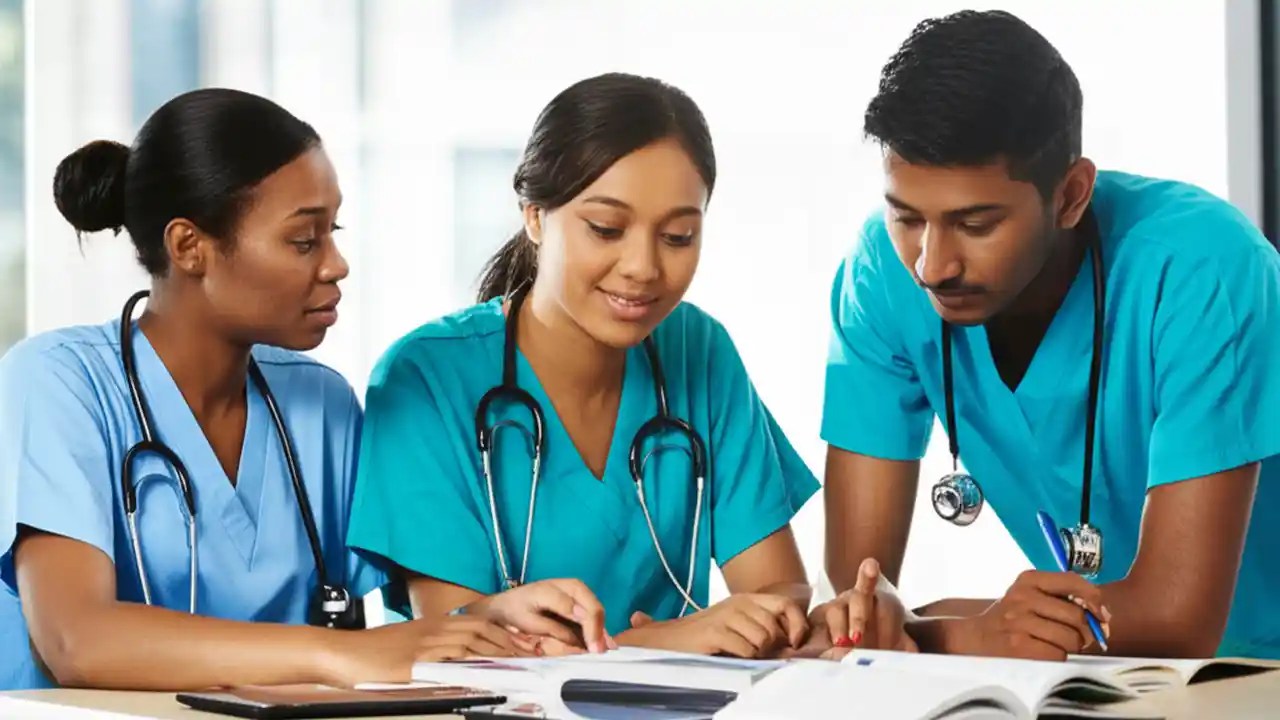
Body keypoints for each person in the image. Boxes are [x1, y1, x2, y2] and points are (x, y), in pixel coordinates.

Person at [0, 88, 572, 691]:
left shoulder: (320, 405)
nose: (336, 264)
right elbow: (78, 641)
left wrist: (487, 617)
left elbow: (404, 619)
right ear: (189, 247)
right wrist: (332, 654)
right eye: (304, 240)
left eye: (333, 231)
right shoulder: (59, 381)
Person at [820, 10, 1280, 660]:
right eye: (906, 217)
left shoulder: (1206, 269)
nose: (932, 264)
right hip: (1106, 678)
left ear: (1069, 195)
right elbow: (858, 606)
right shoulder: (878, 274)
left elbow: (1178, 618)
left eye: (975, 224)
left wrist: (943, 630)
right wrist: (935, 627)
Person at [346, 72, 824, 659]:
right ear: (535, 217)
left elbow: (779, 590)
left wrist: (756, 622)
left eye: (678, 236)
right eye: (606, 229)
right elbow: (459, 642)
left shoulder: (700, 351)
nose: (643, 267)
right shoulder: (426, 379)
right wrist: (655, 645)